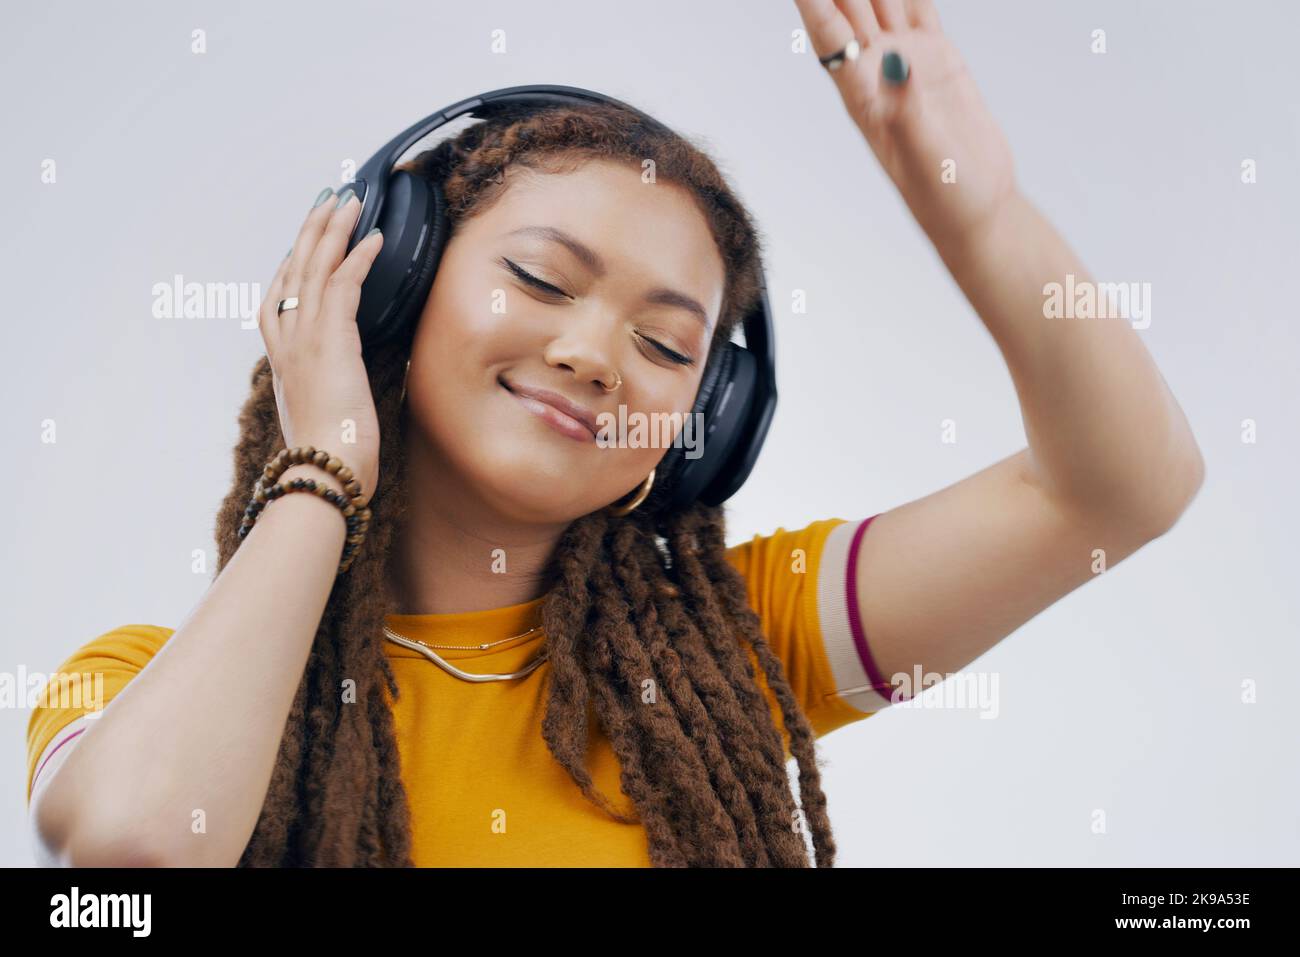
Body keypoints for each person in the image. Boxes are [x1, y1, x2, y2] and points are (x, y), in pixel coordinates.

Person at [26, 0, 1203, 868]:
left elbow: (1119, 492)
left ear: (701, 431)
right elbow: (137, 849)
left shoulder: (740, 651)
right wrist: (323, 458)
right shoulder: (137, 684)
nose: (595, 354)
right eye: (542, 278)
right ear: (387, 289)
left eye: (665, 345)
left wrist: (983, 218)